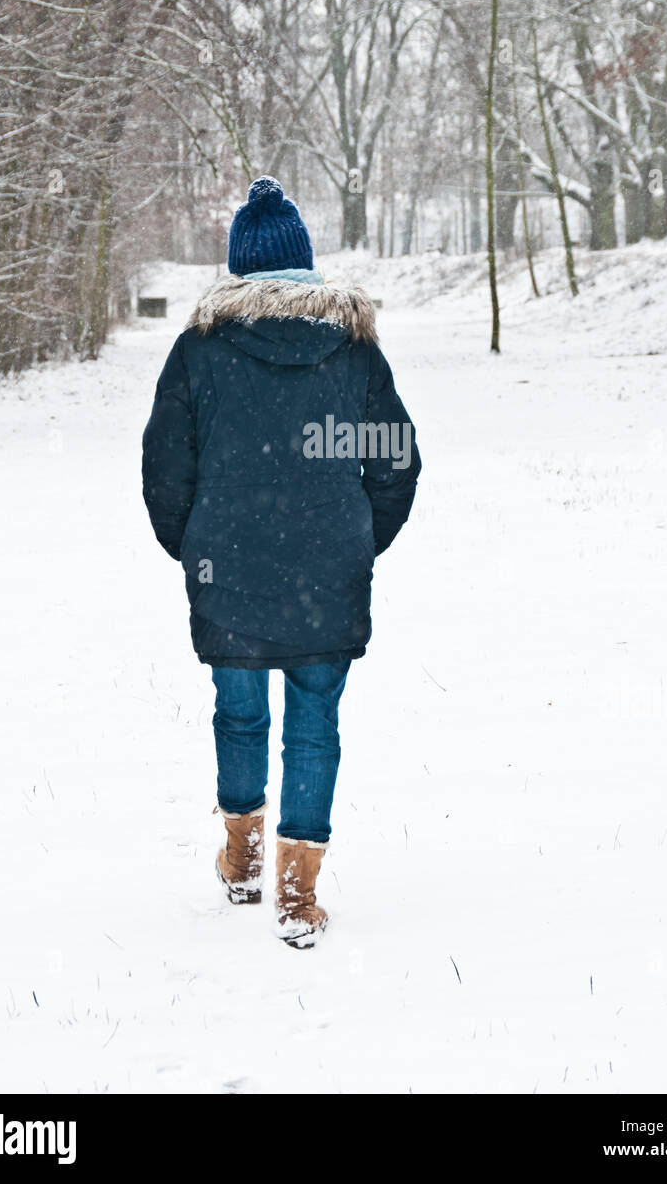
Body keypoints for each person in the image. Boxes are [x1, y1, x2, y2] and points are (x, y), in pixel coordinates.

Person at [142, 176, 420, 948]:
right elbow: (395, 462)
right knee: (314, 723)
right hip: (327, 569)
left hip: (225, 562)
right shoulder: (353, 350)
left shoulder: (198, 349)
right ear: (305, 265)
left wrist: (193, 543)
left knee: (238, 712)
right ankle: (297, 897)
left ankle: (243, 860)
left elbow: (165, 466)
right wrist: (358, 538)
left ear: (237, 269)